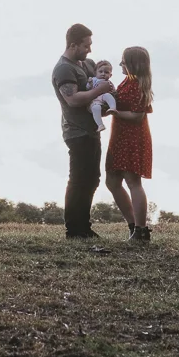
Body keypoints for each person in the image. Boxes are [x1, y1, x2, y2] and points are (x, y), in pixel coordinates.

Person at [52, 24, 115, 239]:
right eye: (86, 45)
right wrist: (100, 90)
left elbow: (100, 82)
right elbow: (73, 98)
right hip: (76, 131)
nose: (90, 49)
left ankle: (84, 226)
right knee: (79, 179)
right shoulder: (63, 69)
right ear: (72, 44)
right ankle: (74, 229)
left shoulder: (87, 64)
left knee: (92, 178)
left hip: (92, 130)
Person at [105, 46, 154, 242]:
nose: (119, 65)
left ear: (133, 64)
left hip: (132, 138)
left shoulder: (137, 85)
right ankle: (134, 225)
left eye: (123, 62)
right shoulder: (127, 81)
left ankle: (141, 230)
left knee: (133, 182)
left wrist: (116, 113)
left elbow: (137, 116)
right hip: (119, 137)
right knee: (112, 181)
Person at [86, 60, 117, 133]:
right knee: (95, 108)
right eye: (100, 71)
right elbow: (88, 88)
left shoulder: (109, 82)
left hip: (103, 97)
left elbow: (114, 92)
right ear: (95, 72)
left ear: (110, 75)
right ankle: (100, 125)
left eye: (106, 72)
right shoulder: (93, 80)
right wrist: (90, 83)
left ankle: (113, 108)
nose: (103, 74)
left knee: (108, 95)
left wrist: (112, 90)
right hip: (95, 100)